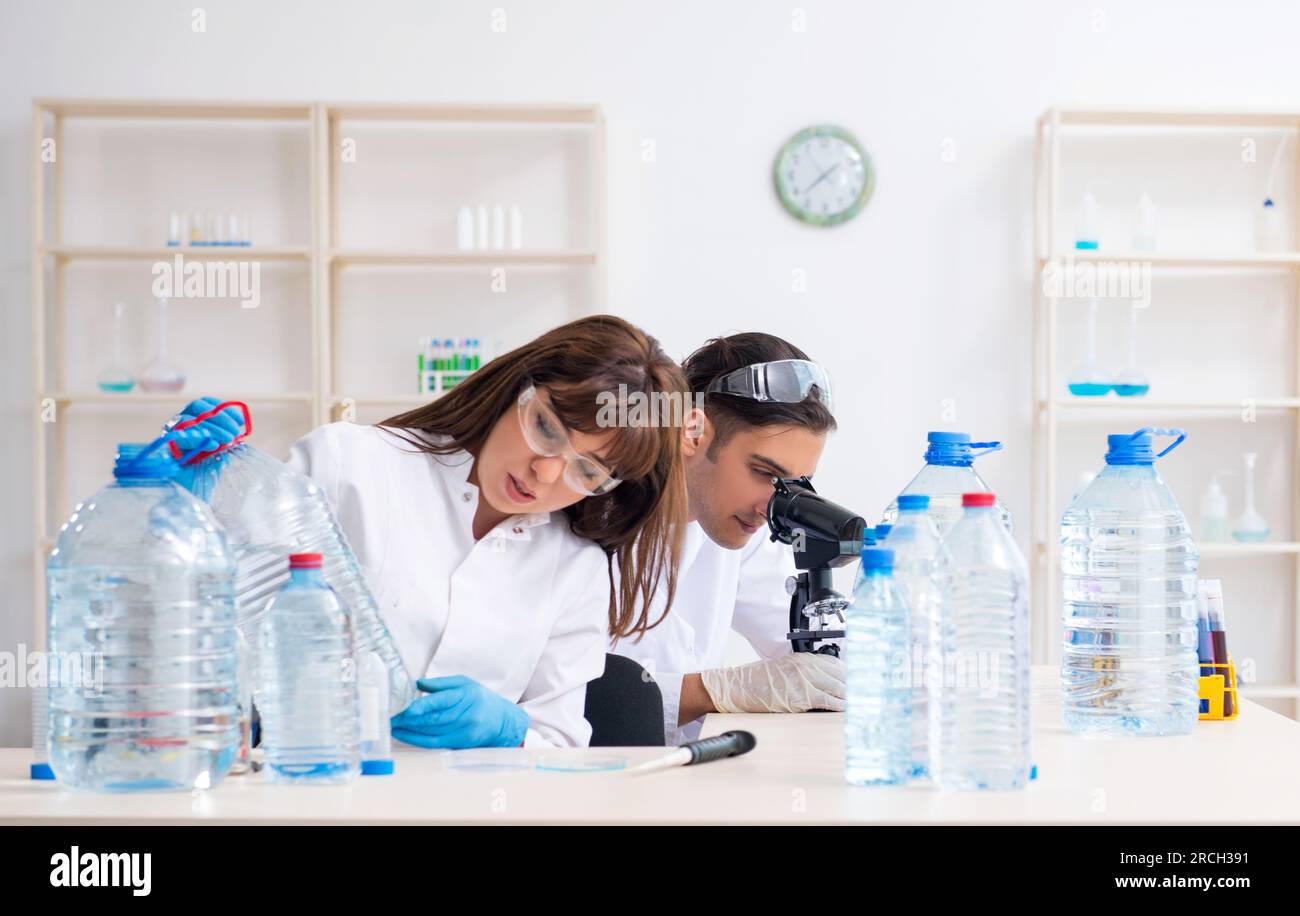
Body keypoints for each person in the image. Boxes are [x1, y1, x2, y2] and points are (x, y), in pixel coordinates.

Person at [171, 315, 688, 749]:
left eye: (587, 471)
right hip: (306, 793)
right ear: (517, 389)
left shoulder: (575, 569)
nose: (546, 473)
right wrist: (183, 502)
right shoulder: (350, 464)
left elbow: (561, 746)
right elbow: (208, 609)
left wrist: (509, 731)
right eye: (547, 429)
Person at [611, 333, 843, 745]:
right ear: (692, 433)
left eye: (794, 483)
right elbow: (568, 699)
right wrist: (715, 691)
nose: (771, 505)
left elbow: (816, 653)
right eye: (764, 473)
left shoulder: (743, 525)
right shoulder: (590, 514)